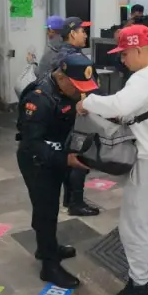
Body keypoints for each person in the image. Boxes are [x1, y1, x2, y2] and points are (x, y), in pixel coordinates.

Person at [78, 24, 148, 295]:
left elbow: (119, 105)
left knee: (134, 225)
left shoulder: (144, 78)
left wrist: (88, 102)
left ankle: (138, 287)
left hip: (147, 160)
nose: (122, 60)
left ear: (139, 49)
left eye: (124, 54)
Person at [17, 53, 98, 289]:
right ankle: (49, 267)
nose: (80, 91)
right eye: (77, 86)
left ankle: (47, 248)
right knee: (46, 211)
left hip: (56, 157)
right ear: (61, 77)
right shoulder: (39, 98)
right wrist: (66, 159)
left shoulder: (65, 90)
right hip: (37, 162)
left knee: (49, 207)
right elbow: (32, 143)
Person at [50, 17, 101, 216]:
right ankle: (76, 203)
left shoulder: (58, 53)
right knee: (80, 157)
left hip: (66, 113)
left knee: (71, 157)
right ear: (72, 33)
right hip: (77, 113)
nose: (85, 35)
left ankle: (70, 199)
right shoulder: (71, 58)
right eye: (82, 31)